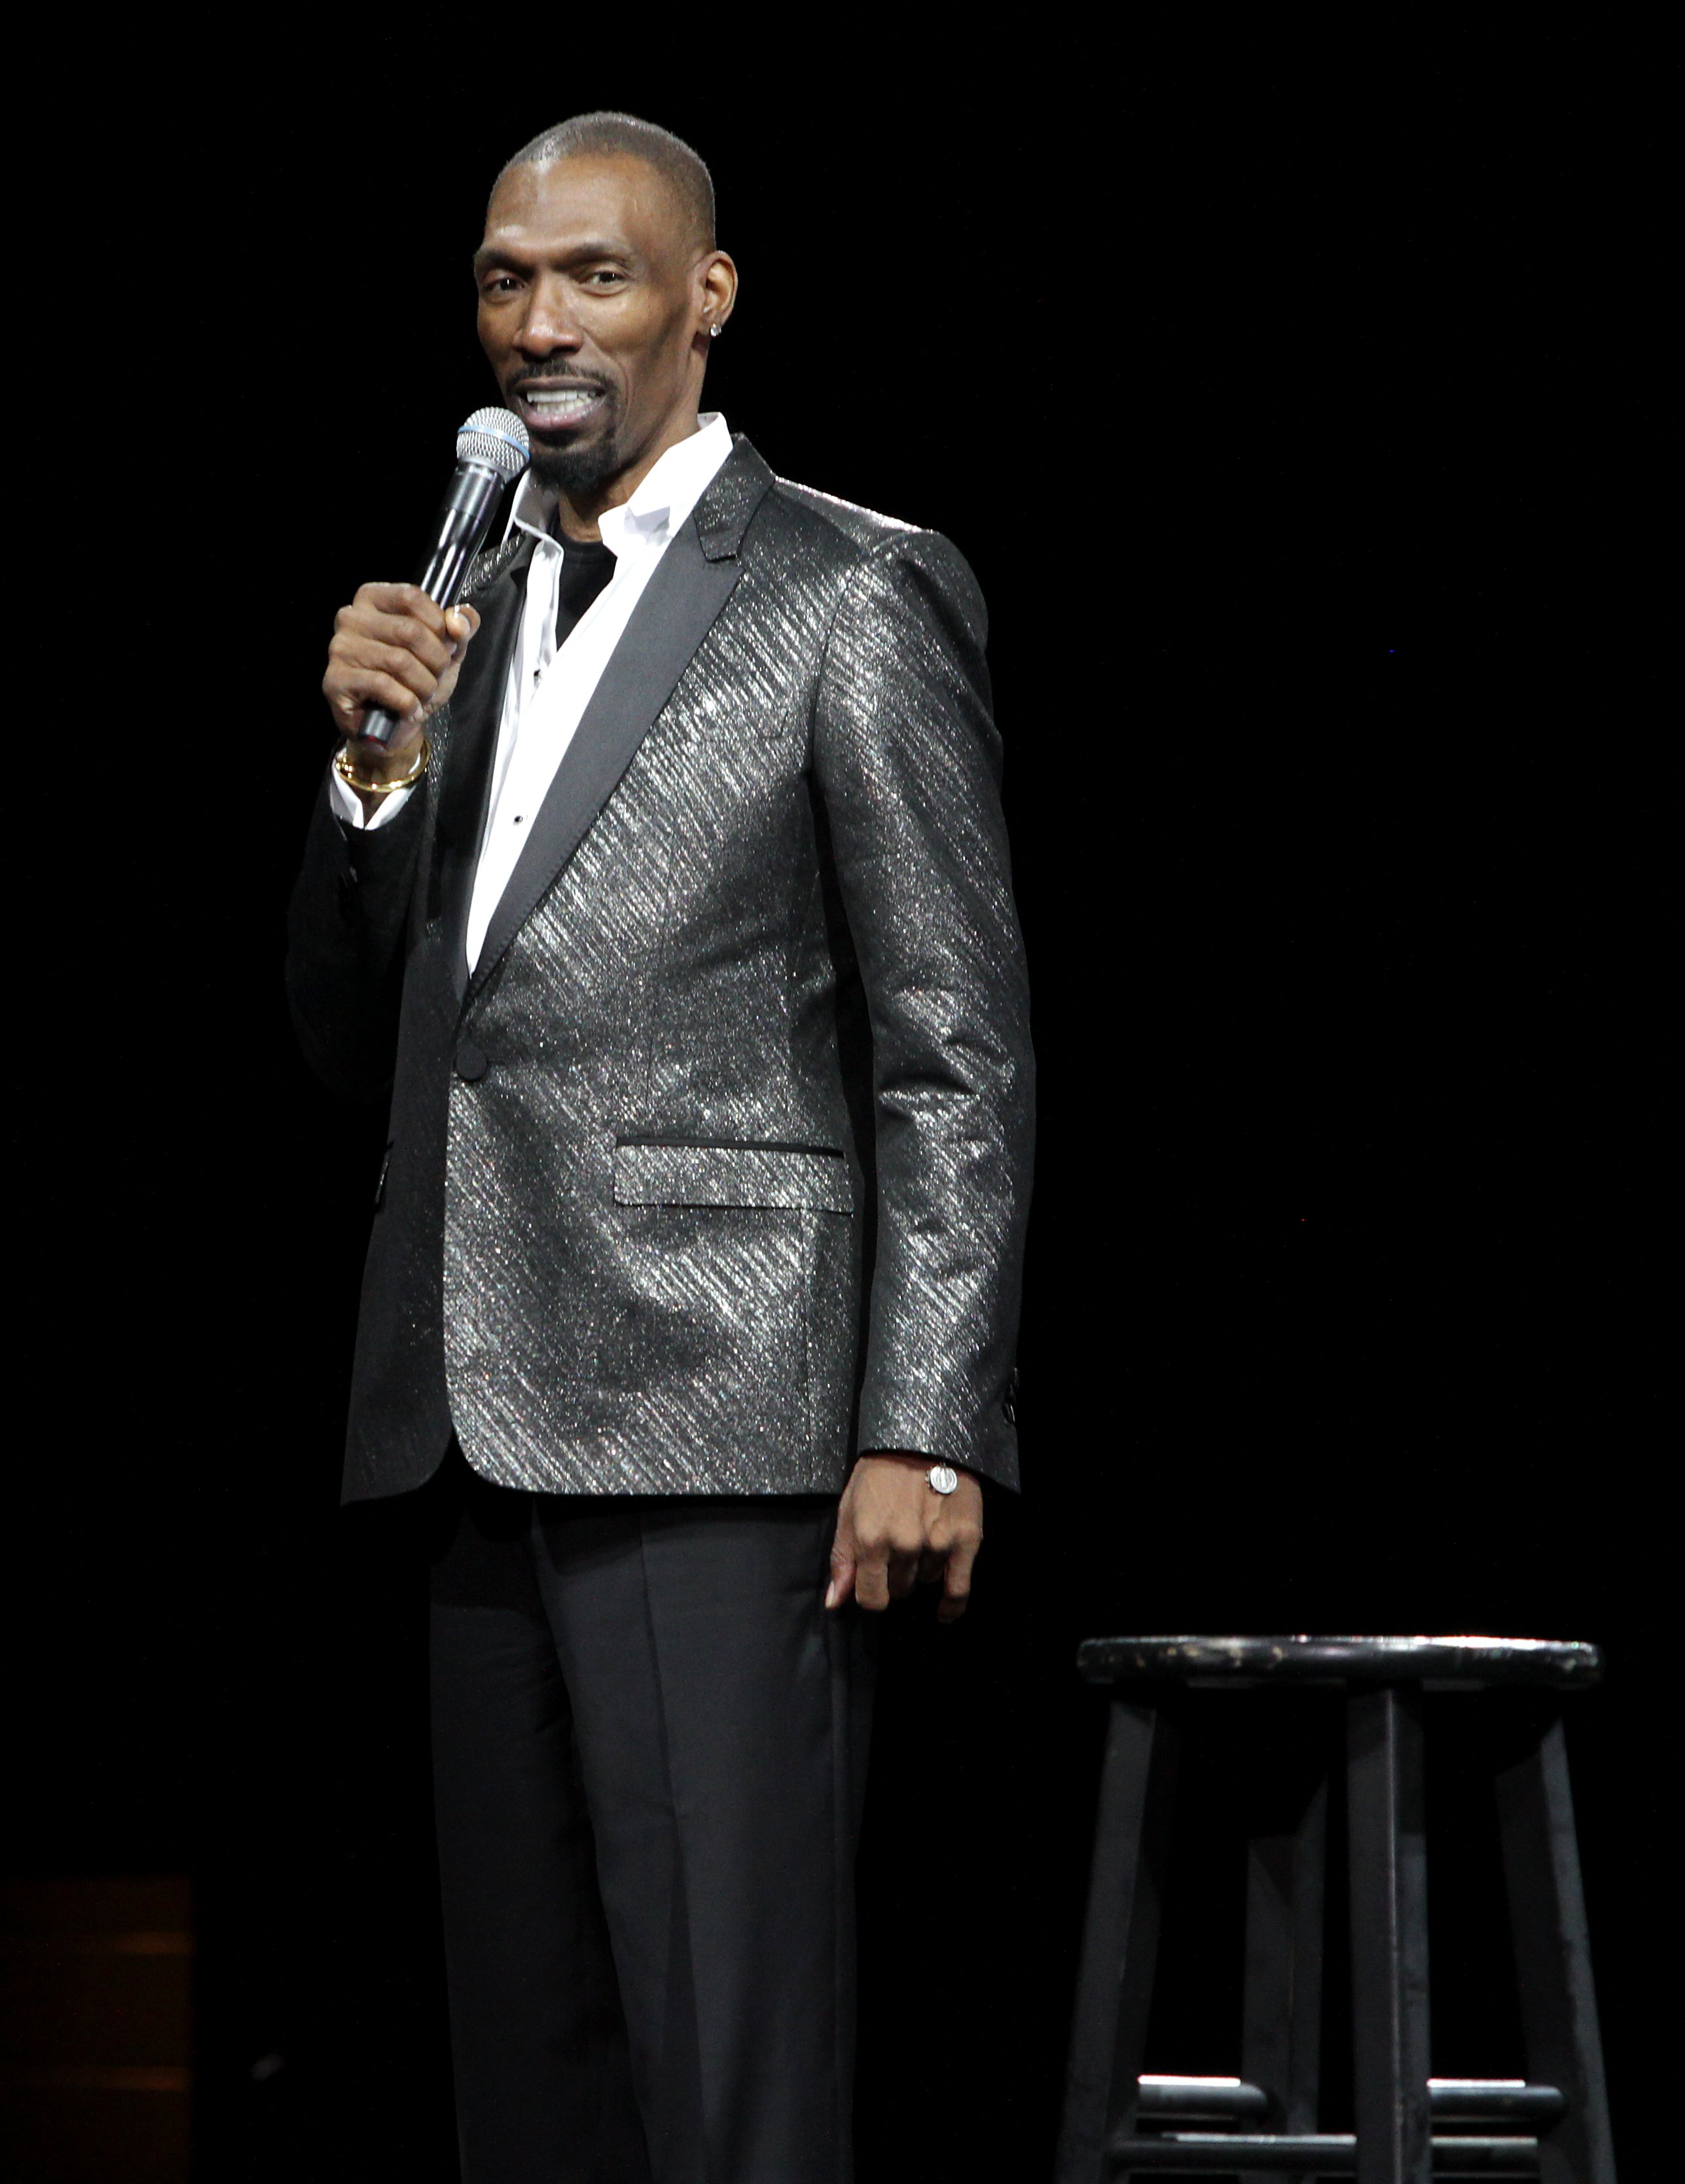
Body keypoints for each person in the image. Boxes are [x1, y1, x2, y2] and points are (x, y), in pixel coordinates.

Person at [287, 110, 1033, 2184]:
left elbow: (952, 1047)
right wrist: (365, 799)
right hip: (461, 1429)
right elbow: (363, 1052)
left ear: (706, 298)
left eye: (597, 278)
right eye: (507, 282)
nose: (545, 324)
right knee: (527, 2084)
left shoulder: (851, 592)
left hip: (727, 1430)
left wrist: (929, 1419)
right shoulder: (465, 613)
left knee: (732, 2075)